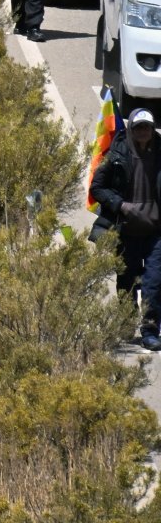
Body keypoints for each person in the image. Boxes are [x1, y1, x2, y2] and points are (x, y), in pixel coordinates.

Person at [89, 106, 161, 348]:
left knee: (154, 283)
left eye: (147, 127)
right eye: (139, 127)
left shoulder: (160, 151)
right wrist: (121, 205)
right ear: (131, 128)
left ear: (152, 129)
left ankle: (150, 331)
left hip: (155, 233)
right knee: (126, 281)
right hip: (126, 231)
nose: (143, 131)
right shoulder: (117, 153)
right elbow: (97, 188)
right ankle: (126, 324)